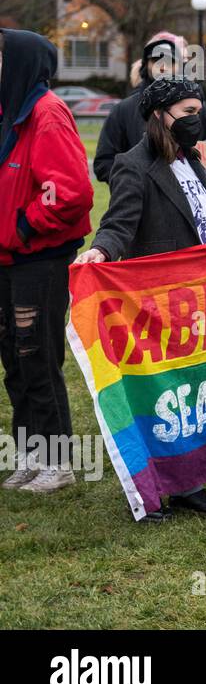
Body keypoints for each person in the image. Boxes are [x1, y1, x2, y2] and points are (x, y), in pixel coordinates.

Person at [75, 75, 206, 520]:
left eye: (199, 110)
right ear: (160, 117)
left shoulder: (193, 162)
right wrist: (102, 249)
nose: (197, 118)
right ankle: (156, 485)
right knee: (162, 395)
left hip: (203, 293)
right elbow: (120, 222)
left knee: (193, 391)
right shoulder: (134, 164)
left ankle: (190, 483)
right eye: (186, 112)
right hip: (160, 299)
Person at [0, 29, 94, 494]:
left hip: (37, 258)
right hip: (8, 259)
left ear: (18, 63)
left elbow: (72, 193)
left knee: (36, 355)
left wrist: (22, 226)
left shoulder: (47, 113)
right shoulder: (8, 112)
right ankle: (31, 454)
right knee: (14, 360)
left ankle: (58, 462)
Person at [93, 34, 206, 182]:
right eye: (156, 60)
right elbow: (103, 163)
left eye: (170, 61)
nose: (163, 66)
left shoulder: (198, 108)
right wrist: (134, 181)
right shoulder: (123, 110)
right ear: (145, 65)